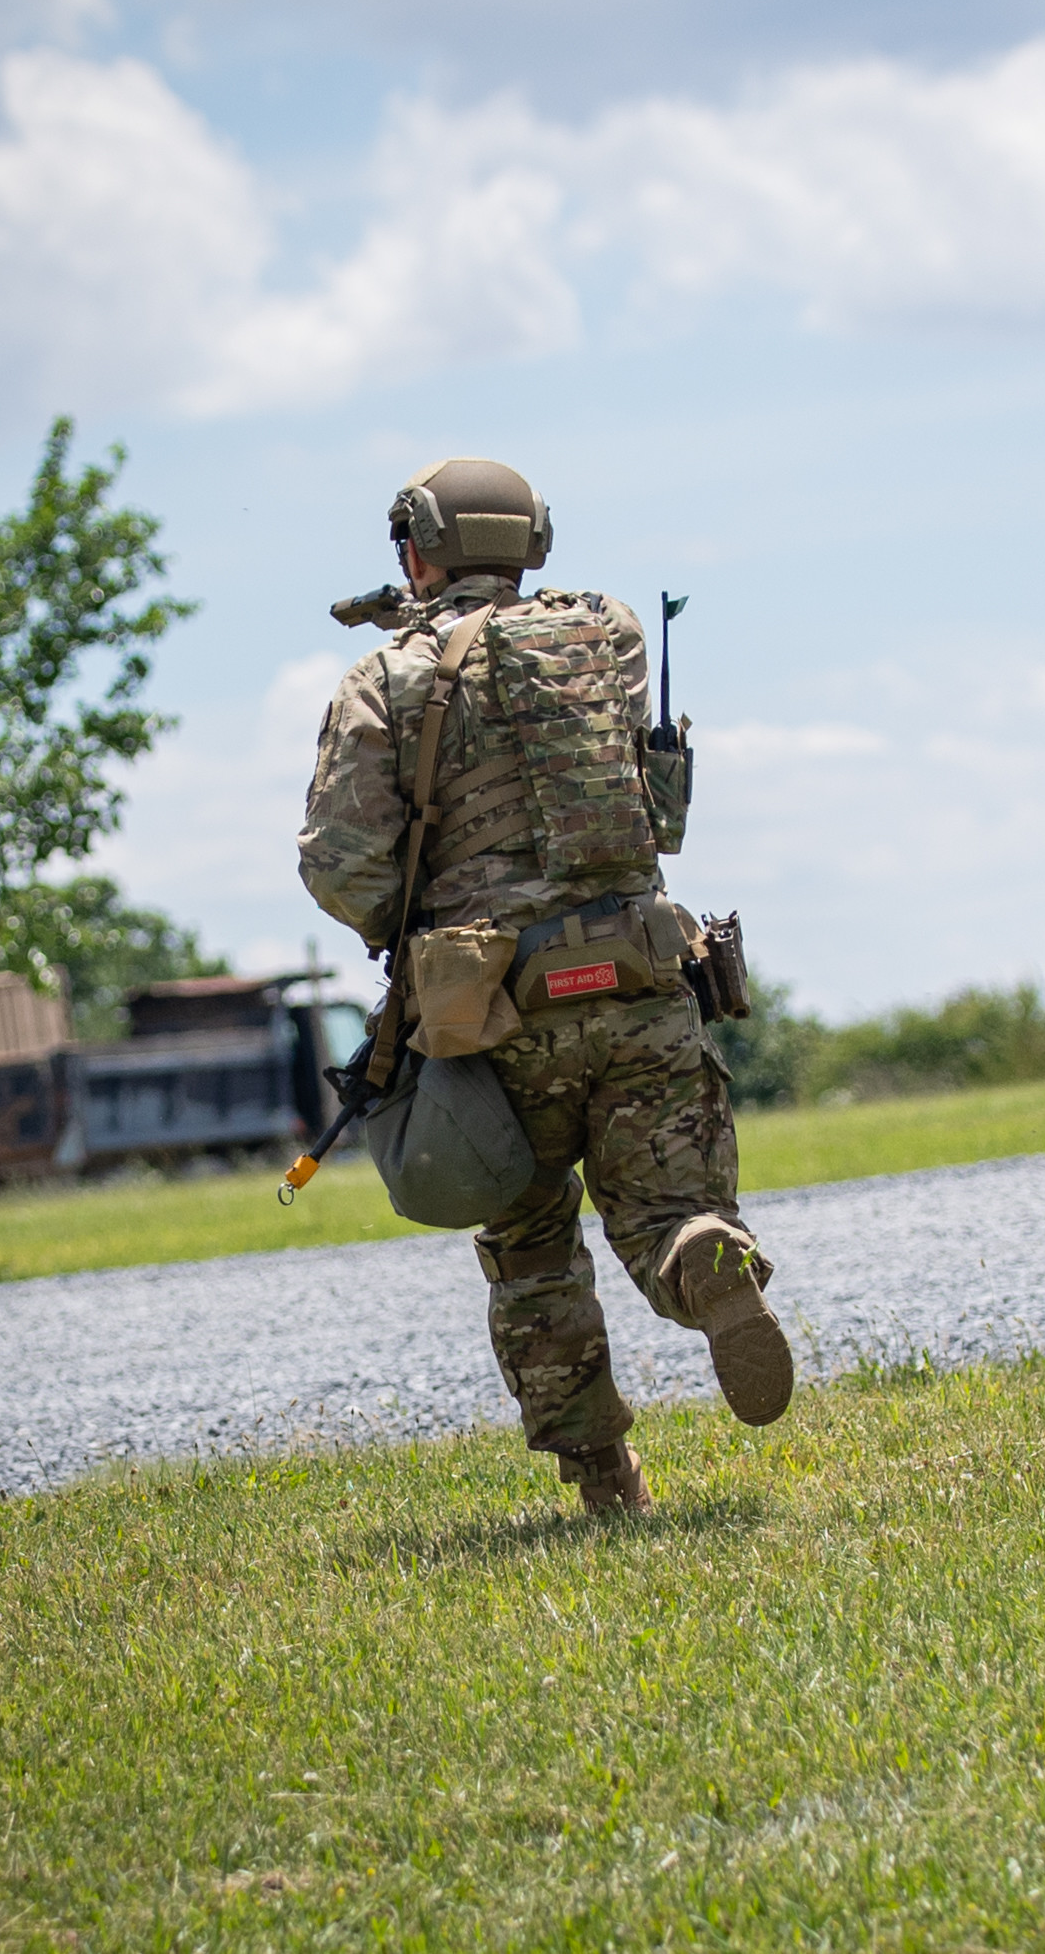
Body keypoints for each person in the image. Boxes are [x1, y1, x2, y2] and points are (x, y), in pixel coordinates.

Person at [299, 456, 792, 1516]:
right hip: (644, 976)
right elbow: (638, 799)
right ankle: (700, 1258)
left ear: (417, 548)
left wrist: (410, 930)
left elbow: (340, 864)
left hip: (493, 1010)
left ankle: (604, 1478)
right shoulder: (608, 633)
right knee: (669, 1206)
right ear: (533, 544)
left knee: (529, 1245)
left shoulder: (385, 680)